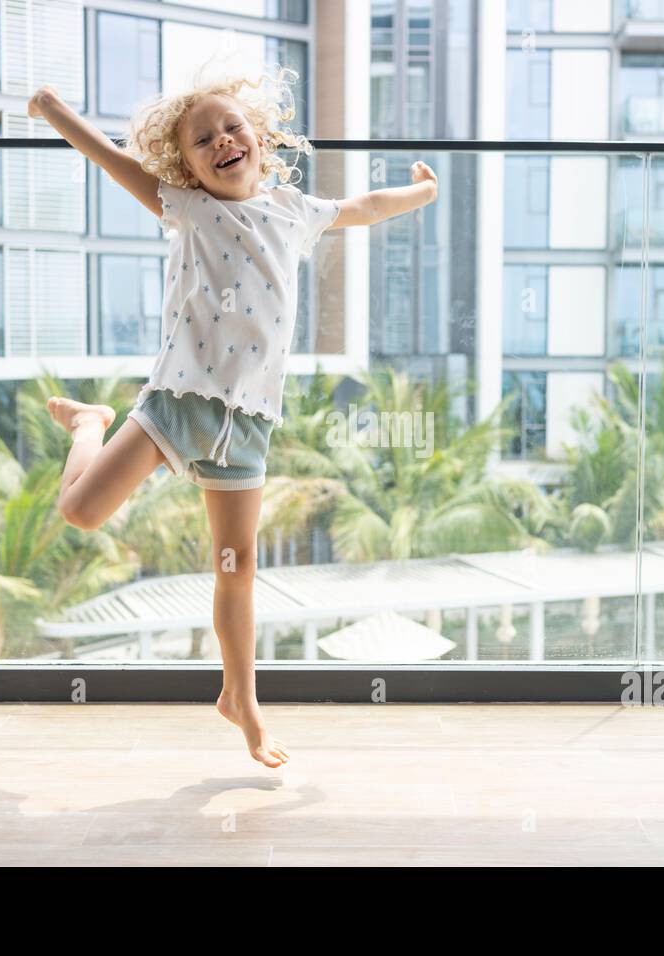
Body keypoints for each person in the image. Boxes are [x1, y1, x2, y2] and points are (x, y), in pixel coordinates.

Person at [27, 66, 438, 768]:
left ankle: (240, 697)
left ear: (259, 137)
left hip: (247, 424)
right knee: (81, 513)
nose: (221, 141)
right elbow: (108, 159)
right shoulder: (185, 208)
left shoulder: (294, 209)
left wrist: (423, 192)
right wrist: (54, 108)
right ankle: (90, 424)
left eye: (230, 128)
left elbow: (366, 207)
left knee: (236, 565)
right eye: (201, 140)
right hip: (178, 404)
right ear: (184, 164)